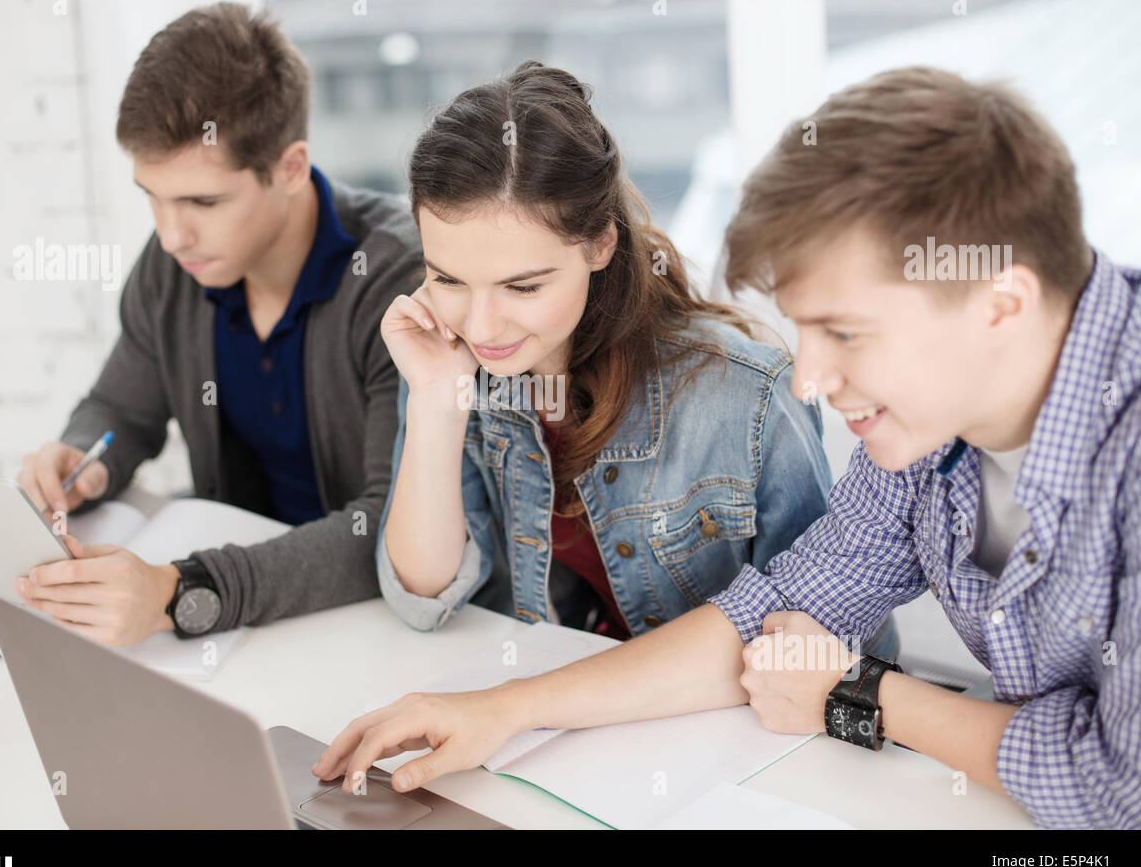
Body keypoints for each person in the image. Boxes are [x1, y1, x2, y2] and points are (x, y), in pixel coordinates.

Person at [314, 66, 1141, 830]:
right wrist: (506, 710)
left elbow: (1129, 791)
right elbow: (770, 618)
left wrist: (861, 693)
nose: (810, 380)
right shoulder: (926, 439)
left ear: (1000, 307)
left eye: (846, 334)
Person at [372, 60, 897, 659]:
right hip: (559, 707)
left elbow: (832, 644)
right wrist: (438, 401)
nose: (482, 326)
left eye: (522, 288)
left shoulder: (744, 396)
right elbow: (421, 598)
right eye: (449, 279)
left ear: (600, 245)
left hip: (714, 724)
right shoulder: (447, 362)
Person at [12, 3, 424, 646]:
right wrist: (85, 454)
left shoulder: (396, 279)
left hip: (380, 627)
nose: (172, 235)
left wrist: (185, 591)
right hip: (246, 622)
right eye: (152, 196)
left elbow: (388, 526)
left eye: (203, 201)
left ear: (289, 168)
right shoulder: (179, 267)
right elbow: (121, 407)